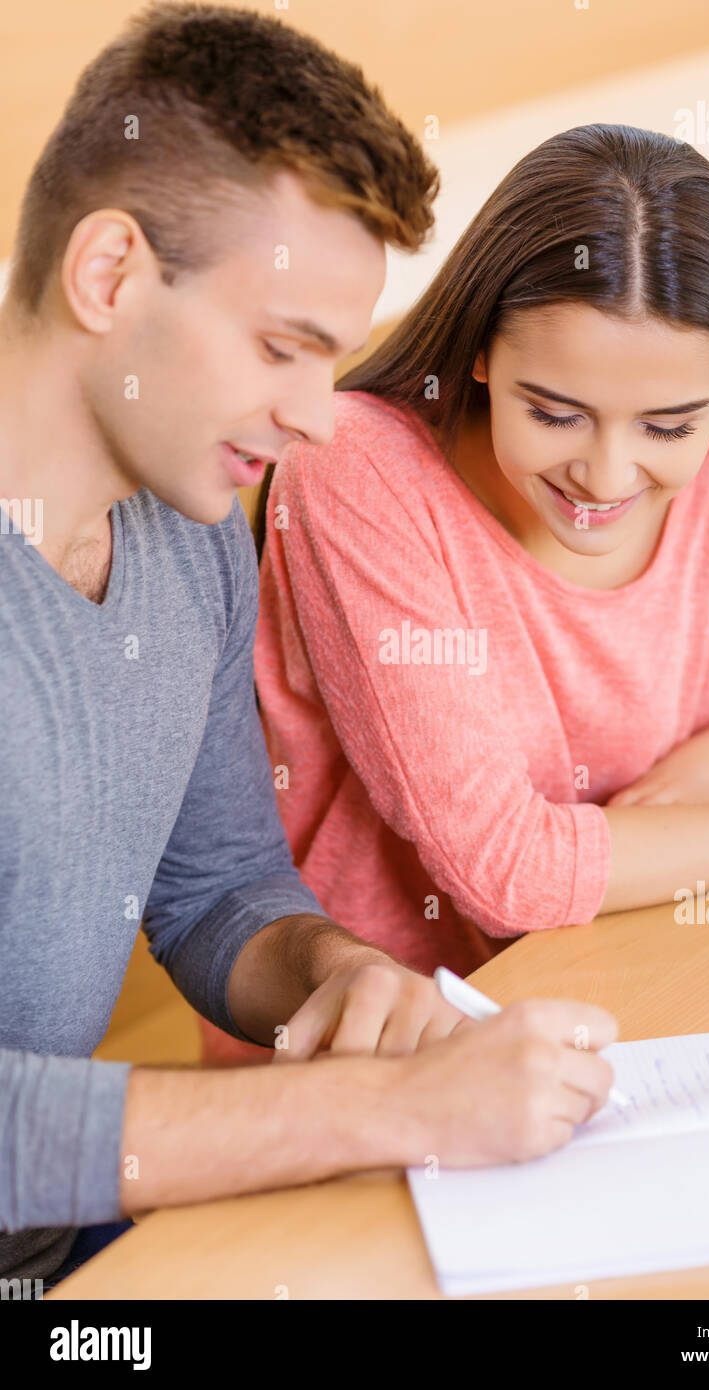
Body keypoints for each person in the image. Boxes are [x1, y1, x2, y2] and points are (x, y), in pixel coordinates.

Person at [0, 4, 618, 1286]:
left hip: (67, 1258)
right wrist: (384, 1111)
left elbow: (215, 886)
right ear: (107, 275)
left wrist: (337, 974)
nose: (319, 422)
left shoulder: (190, 526)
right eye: (285, 349)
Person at [201, 121, 709, 1066]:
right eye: (554, 413)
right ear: (479, 352)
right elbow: (506, 873)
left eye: (669, 425)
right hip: (373, 1067)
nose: (605, 475)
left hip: (629, 1002)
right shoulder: (355, 475)